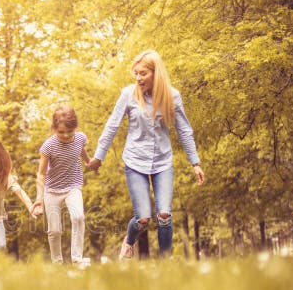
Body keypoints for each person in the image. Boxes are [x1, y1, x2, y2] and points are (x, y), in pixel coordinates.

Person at [87, 49, 205, 260]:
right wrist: (98, 156)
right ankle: (129, 241)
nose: (138, 78)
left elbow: (184, 130)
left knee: (164, 216)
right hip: (135, 161)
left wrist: (195, 162)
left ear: (155, 73)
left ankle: (165, 263)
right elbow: (111, 126)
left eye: (143, 73)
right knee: (142, 219)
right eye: (136, 73)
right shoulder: (128, 94)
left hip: (162, 162)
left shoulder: (172, 96)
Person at [32, 105, 93, 264]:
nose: (65, 135)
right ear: (54, 128)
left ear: (75, 128)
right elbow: (41, 173)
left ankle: (77, 258)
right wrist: (39, 198)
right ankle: (57, 262)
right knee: (54, 230)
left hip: (73, 185)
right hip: (52, 190)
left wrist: (89, 162)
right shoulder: (48, 146)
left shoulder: (80, 138)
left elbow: (82, 151)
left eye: (69, 131)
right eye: (61, 132)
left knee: (78, 216)